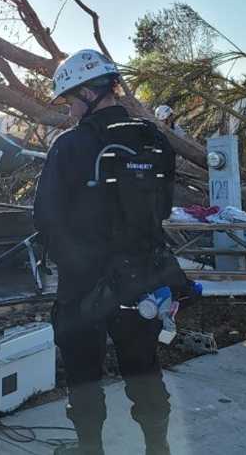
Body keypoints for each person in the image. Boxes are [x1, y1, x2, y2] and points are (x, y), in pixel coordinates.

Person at [35, 49, 188, 455]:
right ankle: (158, 448)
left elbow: (45, 216)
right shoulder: (155, 139)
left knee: (84, 375)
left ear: (88, 92)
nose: (69, 111)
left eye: (70, 100)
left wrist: (64, 257)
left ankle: (90, 449)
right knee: (143, 369)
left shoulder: (70, 146)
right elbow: (164, 208)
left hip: (83, 285)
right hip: (143, 280)